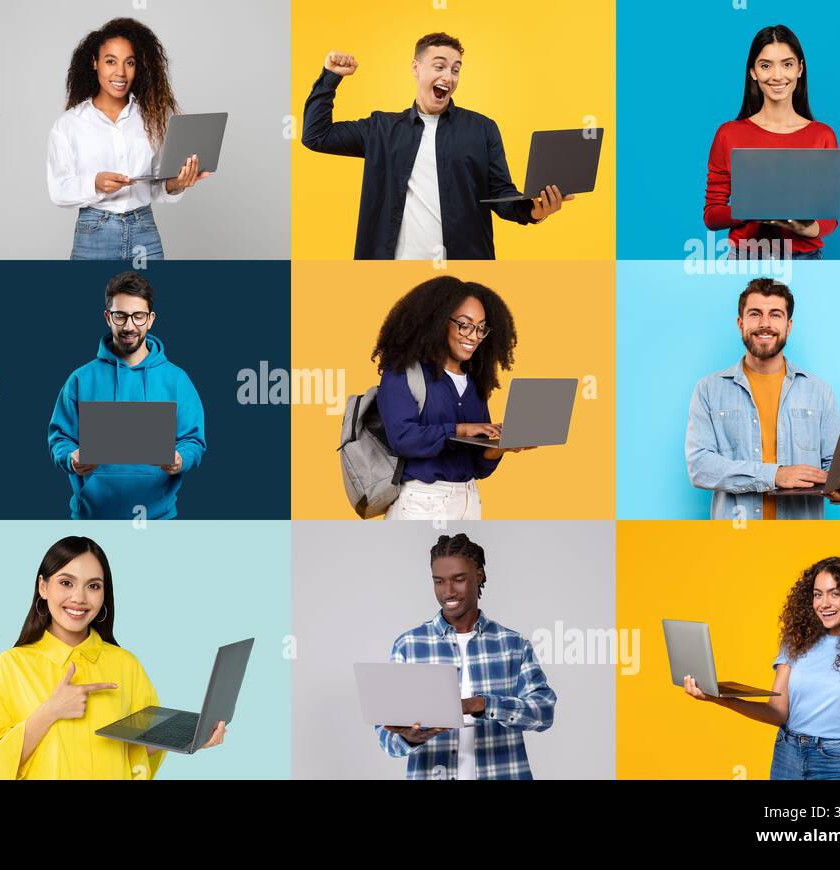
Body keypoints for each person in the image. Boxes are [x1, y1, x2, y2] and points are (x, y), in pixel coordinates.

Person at [0, 536, 225, 779]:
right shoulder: (11, 666)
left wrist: (189, 738)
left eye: (93, 586)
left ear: (104, 595)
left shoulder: (126, 665)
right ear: (43, 587)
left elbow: (135, 756)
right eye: (66, 582)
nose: (79, 598)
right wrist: (50, 712)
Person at [301, 32, 569, 260]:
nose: (448, 77)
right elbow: (316, 135)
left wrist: (534, 211)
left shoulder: (482, 128)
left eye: (455, 69)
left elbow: (500, 193)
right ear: (415, 68)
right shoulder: (380, 128)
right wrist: (330, 78)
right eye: (439, 66)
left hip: (463, 271)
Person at [684, 556, 840, 780]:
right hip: (787, 752)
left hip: (836, 760)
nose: (823, 603)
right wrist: (719, 698)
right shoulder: (797, 641)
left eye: (835, 593)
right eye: (817, 594)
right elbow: (777, 712)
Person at [685, 277, 840, 520]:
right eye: (755, 314)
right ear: (740, 324)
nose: (765, 324)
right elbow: (700, 467)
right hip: (735, 539)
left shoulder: (819, 391)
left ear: (789, 325)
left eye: (775, 314)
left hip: (800, 540)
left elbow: (832, 467)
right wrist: (774, 475)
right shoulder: (708, 390)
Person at [377, 534, 556, 780]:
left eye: (458, 579)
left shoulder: (512, 644)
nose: (447, 591)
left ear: (479, 575)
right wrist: (408, 738)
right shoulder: (409, 645)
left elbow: (544, 712)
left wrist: (482, 704)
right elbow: (386, 738)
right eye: (439, 581)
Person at [47, 270, 206, 519]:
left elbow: (193, 441)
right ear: (108, 317)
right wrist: (71, 458)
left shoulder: (177, 380)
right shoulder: (80, 379)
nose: (129, 326)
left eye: (138, 316)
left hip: (158, 521)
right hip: (92, 520)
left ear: (151, 319)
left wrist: (180, 459)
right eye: (120, 316)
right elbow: (60, 438)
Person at [47, 17, 208, 260]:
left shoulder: (152, 116)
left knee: (154, 298)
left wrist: (177, 183)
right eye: (110, 61)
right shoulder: (69, 124)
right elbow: (59, 190)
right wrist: (95, 183)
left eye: (129, 62)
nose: (120, 72)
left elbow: (156, 183)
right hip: (94, 233)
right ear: (95, 63)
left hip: (144, 229)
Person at [372, 275, 531, 521]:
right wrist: (460, 429)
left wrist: (500, 448)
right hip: (421, 502)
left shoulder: (475, 383)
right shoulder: (403, 373)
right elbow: (403, 439)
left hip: (469, 499)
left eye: (481, 328)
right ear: (437, 321)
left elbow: (478, 467)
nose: (474, 336)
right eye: (464, 325)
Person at [703, 25, 838, 260]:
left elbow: (829, 220)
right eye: (766, 65)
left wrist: (805, 228)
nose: (777, 76)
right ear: (753, 72)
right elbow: (712, 215)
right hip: (745, 258)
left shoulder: (822, 135)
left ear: (800, 69)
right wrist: (750, 210)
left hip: (804, 259)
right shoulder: (728, 134)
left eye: (787, 64)